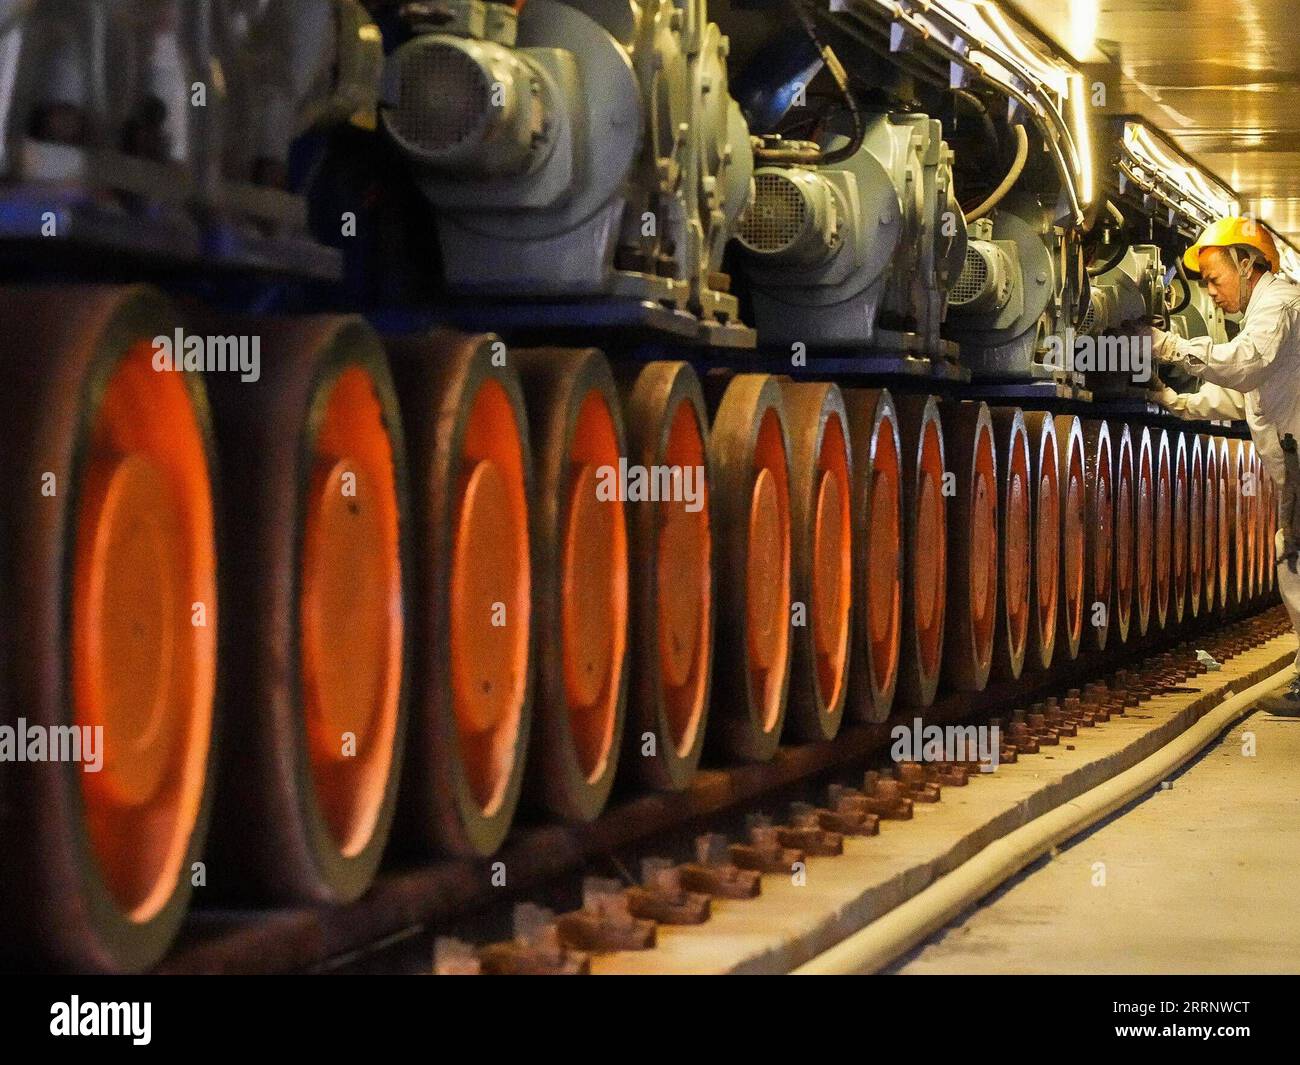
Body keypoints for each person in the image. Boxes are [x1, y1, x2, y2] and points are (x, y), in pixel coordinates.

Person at [1151, 216, 1300, 712]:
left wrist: (1171, 346)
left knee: (1295, 559)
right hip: (1293, 463)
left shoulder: (1279, 304)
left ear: (1247, 265)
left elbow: (1245, 363)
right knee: (1292, 556)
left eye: (1215, 279)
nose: (1210, 293)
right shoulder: (1267, 313)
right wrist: (1176, 401)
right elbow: (1244, 397)